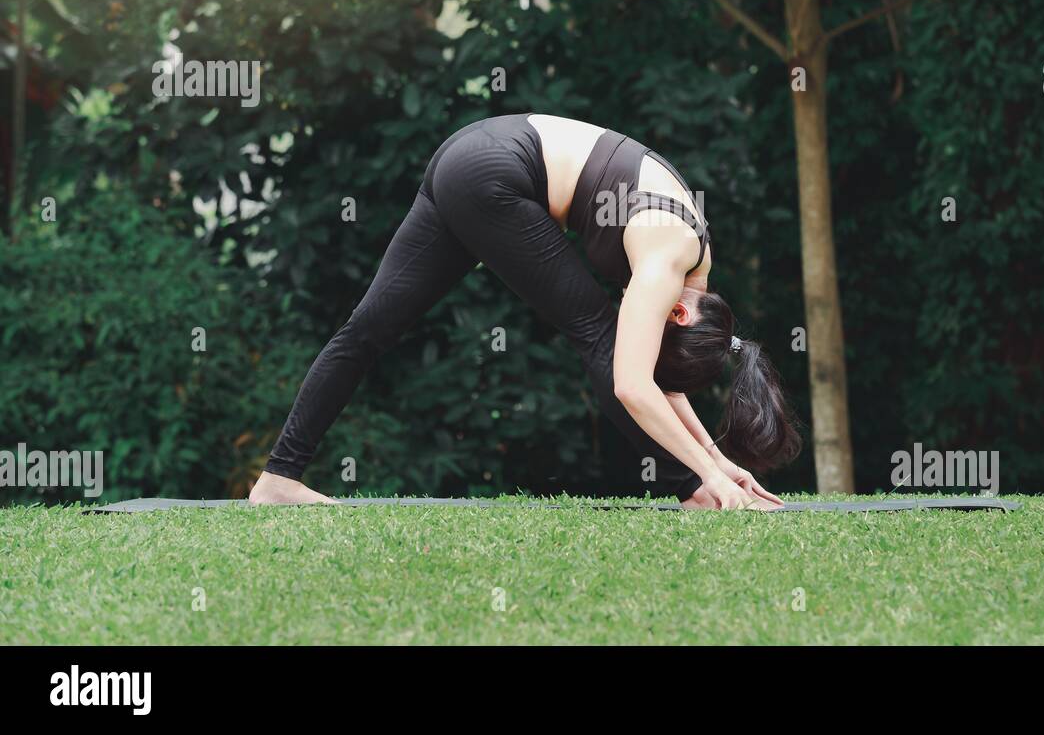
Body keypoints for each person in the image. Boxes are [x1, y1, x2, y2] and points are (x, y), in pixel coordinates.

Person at [249, 113, 801, 509]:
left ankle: (277, 479)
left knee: (366, 330)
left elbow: (662, 385)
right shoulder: (665, 258)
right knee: (598, 336)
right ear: (677, 317)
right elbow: (633, 382)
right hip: (495, 174)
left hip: (467, 154)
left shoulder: (689, 287)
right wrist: (704, 481)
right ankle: (693, 498)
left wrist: (721, 462)